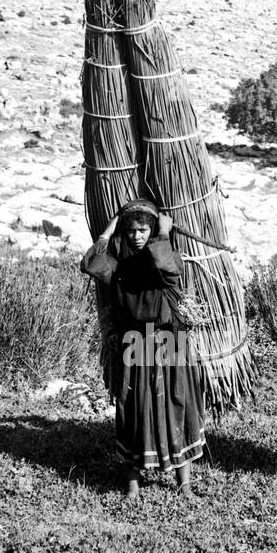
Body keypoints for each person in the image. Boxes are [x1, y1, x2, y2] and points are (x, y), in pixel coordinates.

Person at [81, 198, 206, 497]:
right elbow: (90, 264)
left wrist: (162, 235)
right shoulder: (120, 265)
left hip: (169, 340)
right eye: (131, 231)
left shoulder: (168, 257)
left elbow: (165, 264)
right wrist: (110, 230)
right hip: (135, 341)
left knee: (176, 404)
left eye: (143, 230)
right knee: (133, 407)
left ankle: (184, 483)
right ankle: (133, 485)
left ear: (153, 230)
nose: (137, 236)